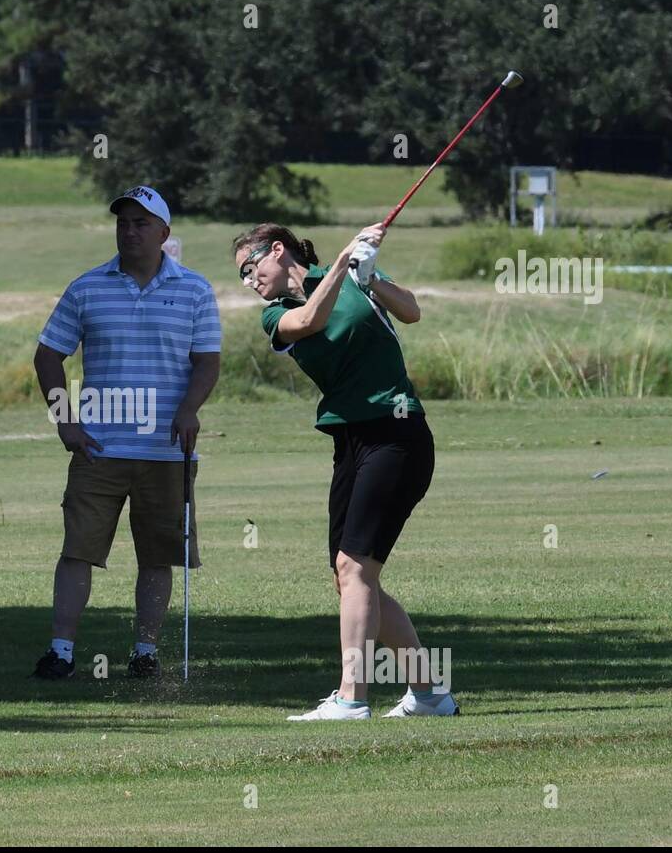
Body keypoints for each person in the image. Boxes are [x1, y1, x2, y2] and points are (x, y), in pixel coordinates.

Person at [232, 222, 457, 718]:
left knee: (356, 569)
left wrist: (370, 274)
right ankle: (431, 695)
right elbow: (312, 319)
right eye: (242, 278)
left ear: (277, 251)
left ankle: (352, 699)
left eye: (251, 269)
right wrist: (344, 261)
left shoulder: (356, 277)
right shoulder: (277, 316)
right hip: (350, 442)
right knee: (350, 576)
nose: (249, 281)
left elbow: (412, 311)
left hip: (398, 435)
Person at [31, 186, 221, 680]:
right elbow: (48, 354)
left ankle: (144, 653)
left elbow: (207, 362)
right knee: (78, 549)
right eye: (123, 223)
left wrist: (189, 408)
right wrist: (65, 420)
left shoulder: (196, 290)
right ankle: (61, 653)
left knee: (157, 556)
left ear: (164, 233)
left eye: (140, 223)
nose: (129, 231)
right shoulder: (87, 288)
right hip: (98, 447)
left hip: (165, 448)